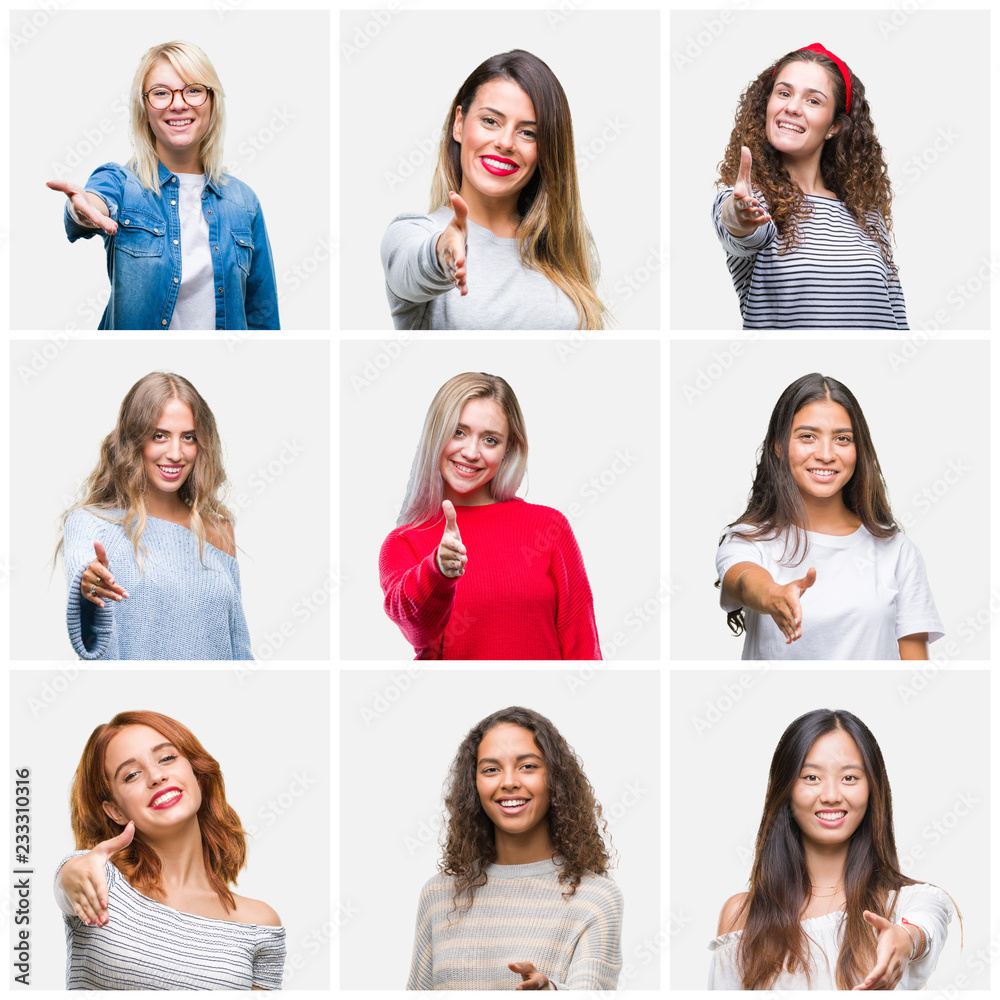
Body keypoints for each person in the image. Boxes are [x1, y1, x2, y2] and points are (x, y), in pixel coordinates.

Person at [709, 709, 956, 990]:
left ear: (872, 789)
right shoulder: (743, 914)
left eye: (849, 778)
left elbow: (927, 921)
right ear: (786, 789)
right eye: (811, 777)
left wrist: (906, 939)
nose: (831, 796)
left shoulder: (904, 902)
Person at [47, 40, 278, 330]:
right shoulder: (120, 182)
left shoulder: (244, 201)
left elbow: (262, 319)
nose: (178, 104)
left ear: (212, 101)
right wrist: (83, 209)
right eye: (160, 93)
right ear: (144, 108)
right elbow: (93, 203)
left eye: (193, 90)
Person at [716, 373, 942, 660]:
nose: (826, 454)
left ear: (858, 449)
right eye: (807, 436)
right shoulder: (748, 539)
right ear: (778, 446)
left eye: (842, 439)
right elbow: (743, 580)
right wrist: (772, 595)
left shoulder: (898, 551)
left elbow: (915, 669)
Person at [55, 710, 284, 990]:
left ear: (197, 775)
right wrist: (72, 873)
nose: (156, 776)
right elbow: (70, 880)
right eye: (131, 775)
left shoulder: (260, 924)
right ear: (115, 811)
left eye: (166, 758)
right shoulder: (100, 882)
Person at [379, 372, 601, 659]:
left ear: (508, 448)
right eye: (458, 432)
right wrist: (438, 571)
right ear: (435, 434)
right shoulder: (403, 542)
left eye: (490, 440)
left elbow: (583, 650)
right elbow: (417, 630)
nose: (471, 453)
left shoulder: (549, 526)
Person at [381, 49, 606, 330]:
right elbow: (410, 267)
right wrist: (441, 254)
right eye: (490, 121)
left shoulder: (561, 250)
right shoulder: (414, 232)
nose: (506, 142)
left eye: (528, 132)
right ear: (459, 124)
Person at [408, 706, 622, 990]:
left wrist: (551, 992)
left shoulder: (595, 898)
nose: (508, 782)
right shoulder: (439, 895)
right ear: (474, 785)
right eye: (491, 770)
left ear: (555, 779)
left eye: (528, 766)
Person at [59, 371, 253, 660]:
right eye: (159, 436)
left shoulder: (218, 530)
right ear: (133, 440)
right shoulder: (90, 522)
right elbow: (83, 570)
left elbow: (239, 644)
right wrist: (89, 583)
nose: (175, 453)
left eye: (188, 437)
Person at [713, 44, 906, 329]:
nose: (792, 107)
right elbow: (739, 229)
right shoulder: (751, 201)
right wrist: (738, 215)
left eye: (813, 101)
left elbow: (897, 317)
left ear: (834, 126)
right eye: (784, 93)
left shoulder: (866, 215)